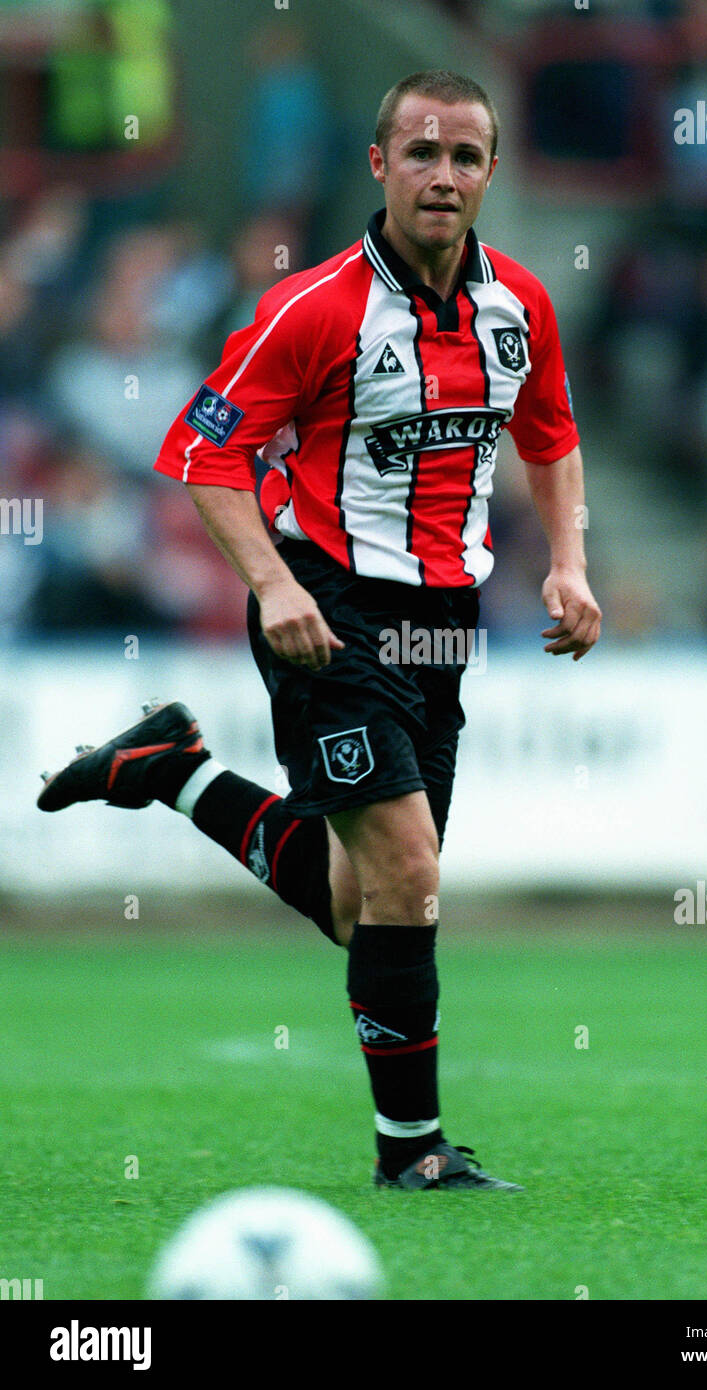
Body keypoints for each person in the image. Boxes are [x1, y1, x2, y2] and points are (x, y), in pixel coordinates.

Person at [38, 70, 602, 1192]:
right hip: (328, 607)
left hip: (443, 625)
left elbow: (550, 433)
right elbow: (203, 452)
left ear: (489, 173)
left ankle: (173, 771)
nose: (442, 174)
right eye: (421, 152)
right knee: (408, 871)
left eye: (464, 156)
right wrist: (272, 585)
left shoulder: (519, 305)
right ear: (379, 165)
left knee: (365, 908)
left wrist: (571, 564)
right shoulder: (317, 308)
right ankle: (413, 1155)